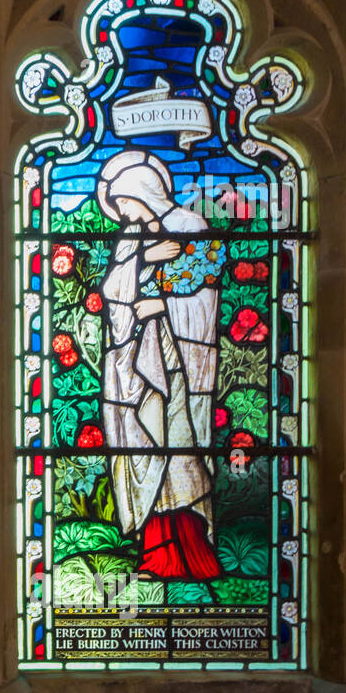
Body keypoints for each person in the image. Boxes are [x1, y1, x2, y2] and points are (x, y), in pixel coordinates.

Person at [96, 150, 223, 581]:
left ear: (142, 194)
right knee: (145, 450)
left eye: (124, 202)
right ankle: (155, 554)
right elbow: (114, 291)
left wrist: (161, 305)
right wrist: (145, 261)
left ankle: (191, 554)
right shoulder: (132, 239)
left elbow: (204, 299)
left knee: (178, 447)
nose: (121, 211)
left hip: (177, 364)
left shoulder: (191, 228)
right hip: (138, 363)